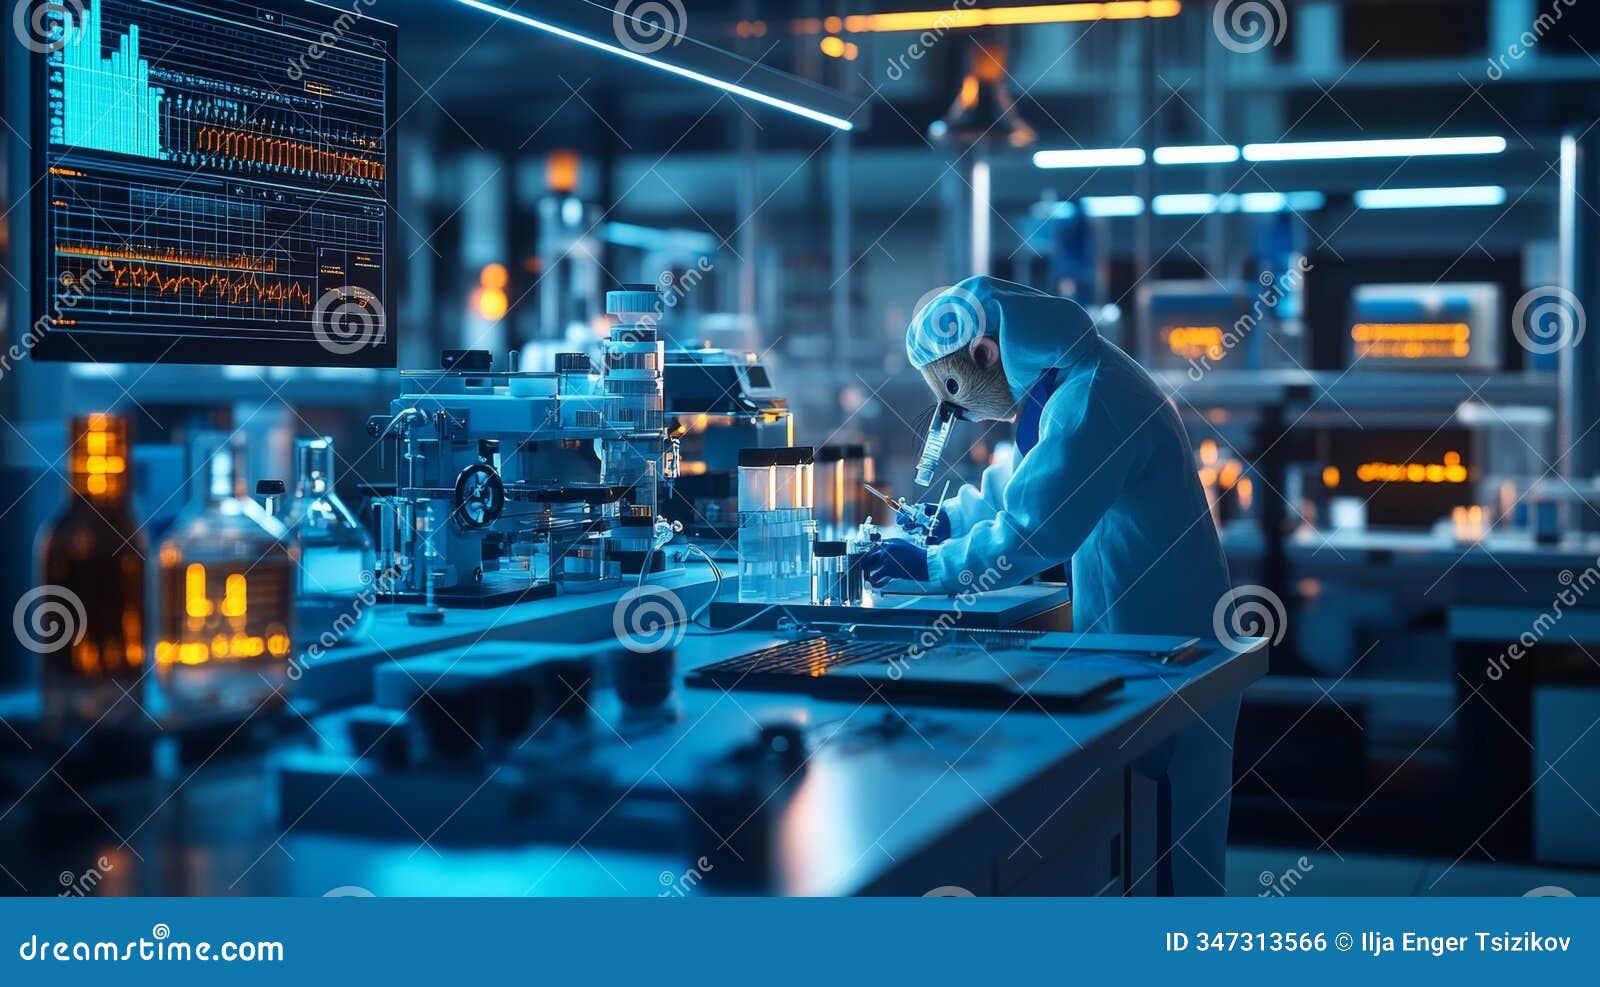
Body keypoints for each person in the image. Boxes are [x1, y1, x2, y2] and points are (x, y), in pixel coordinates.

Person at [862, 275, 1239, 895]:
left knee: (1175, 855)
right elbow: (1021, 486)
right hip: (1139, 638)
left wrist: (928, 568)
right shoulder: (1063, 384)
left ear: (986, 352)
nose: (955, 413)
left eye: (954, 392)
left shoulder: (1093, 395)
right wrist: (948, 521)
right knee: (1144, 841)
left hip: (1174, 644)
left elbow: (1034, 532)